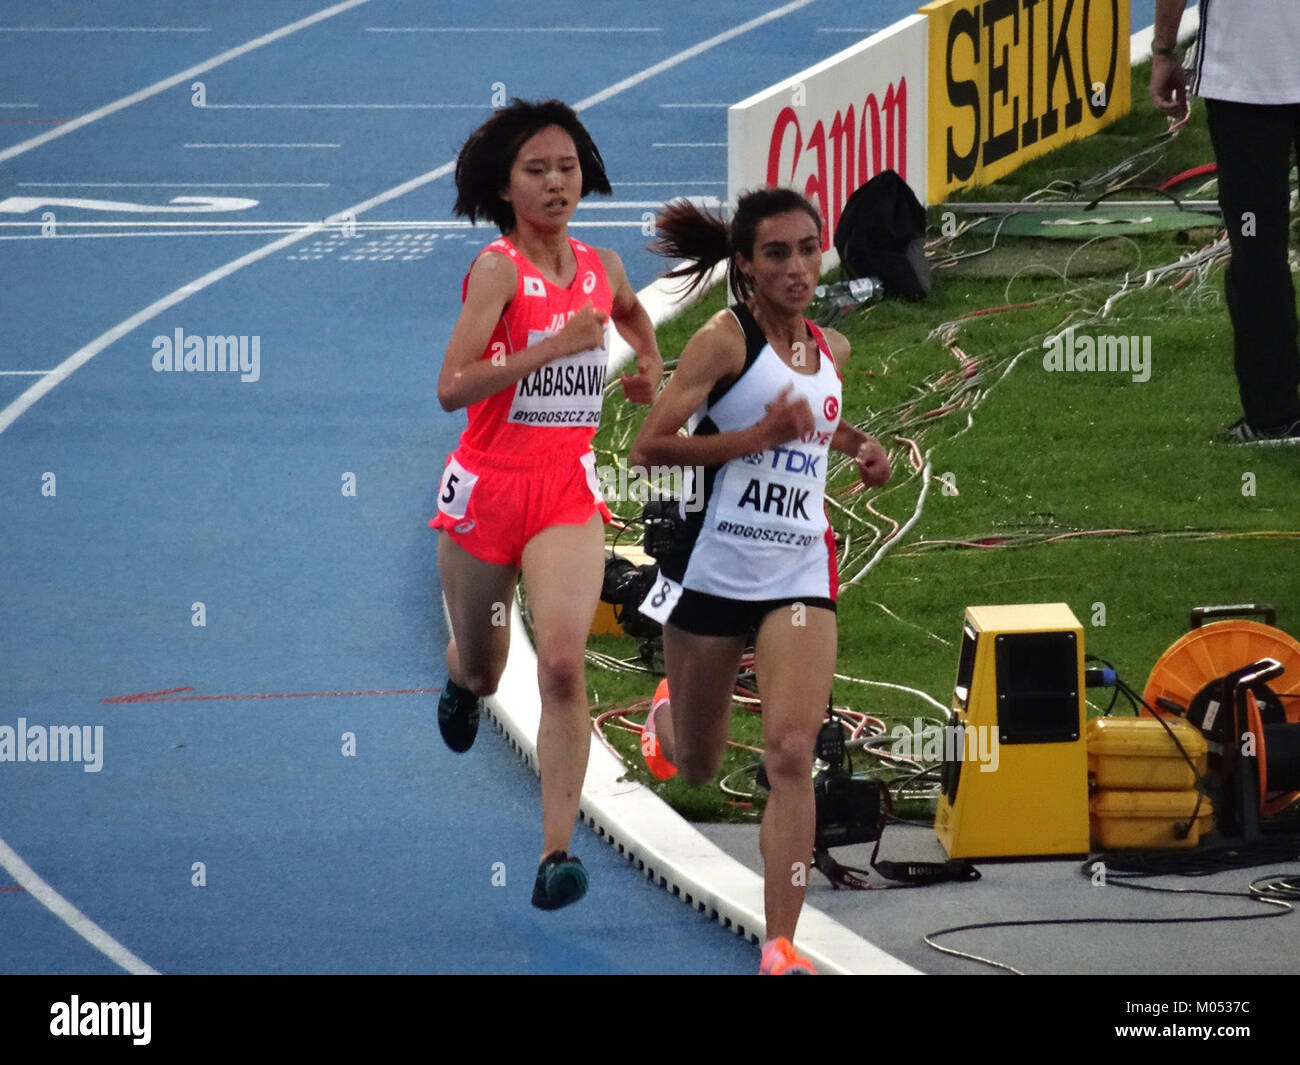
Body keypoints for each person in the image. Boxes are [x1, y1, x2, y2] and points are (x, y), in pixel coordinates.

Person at [629, 187, 891, 974]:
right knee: (701, 766)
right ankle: (665, 716)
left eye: (809, 249)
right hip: (712, 569)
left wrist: (860, 445)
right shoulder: (721, 340)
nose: (798, 267)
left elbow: (817, 418)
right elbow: (651, 445)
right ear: (744, 264)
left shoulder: (831, 349)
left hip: (799, 571)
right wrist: (753, 437)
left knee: (788, 752)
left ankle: (780, 944)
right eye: (778, 253)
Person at [431, 98, 662, 911]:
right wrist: (549, 350)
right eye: (538, 170)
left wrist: (651, 371)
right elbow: (451, 387)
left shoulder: (602, 266)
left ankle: (555, 852)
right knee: (491, 666)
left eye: (567, 167)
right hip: (488, 489)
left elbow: (631, 316)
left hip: (565, 489)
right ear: (505, 186)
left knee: (562, 665)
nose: (557, 182)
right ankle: (461, 679)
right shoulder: (498, 271)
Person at [1150, 0, 1300, 442]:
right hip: (1248, 74)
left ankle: (1274, 415)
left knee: (1257, 249)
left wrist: (1163, 48)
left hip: (1248, 76)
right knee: (1258, 255)